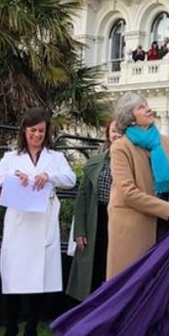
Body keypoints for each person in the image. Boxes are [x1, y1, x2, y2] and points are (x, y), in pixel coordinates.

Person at [0, 108, 77, 336]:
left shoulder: (55, 158)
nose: (36, 135)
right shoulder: (11, 157)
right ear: (24, 131)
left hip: (43, 221)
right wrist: (13, 175)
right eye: (32, 130)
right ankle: (10, 327)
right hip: (19, 222)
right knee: (14, 276)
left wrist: (48, 176)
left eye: (40, 131)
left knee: (39, 278)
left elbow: (71, 179)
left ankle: (31, 330)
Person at [107, 92, 169, 279]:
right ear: (130, 118)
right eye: (141, 107)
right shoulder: (121, 147)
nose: (148, 108)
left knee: (163, 286)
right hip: (134, 229)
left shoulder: (165, 143)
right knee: (133, 287)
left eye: (146, 104)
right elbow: (128, 193)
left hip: (165, 225)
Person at [67, 118, 122, 301]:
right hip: (96, 220)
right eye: (114, 130)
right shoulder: (95, 162)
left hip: (121, 222)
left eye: (121, 131)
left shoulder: (134, 163)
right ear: (108, 133)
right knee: (94, 269)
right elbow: (83, 196)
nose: (117, 134)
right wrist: (80, 230)